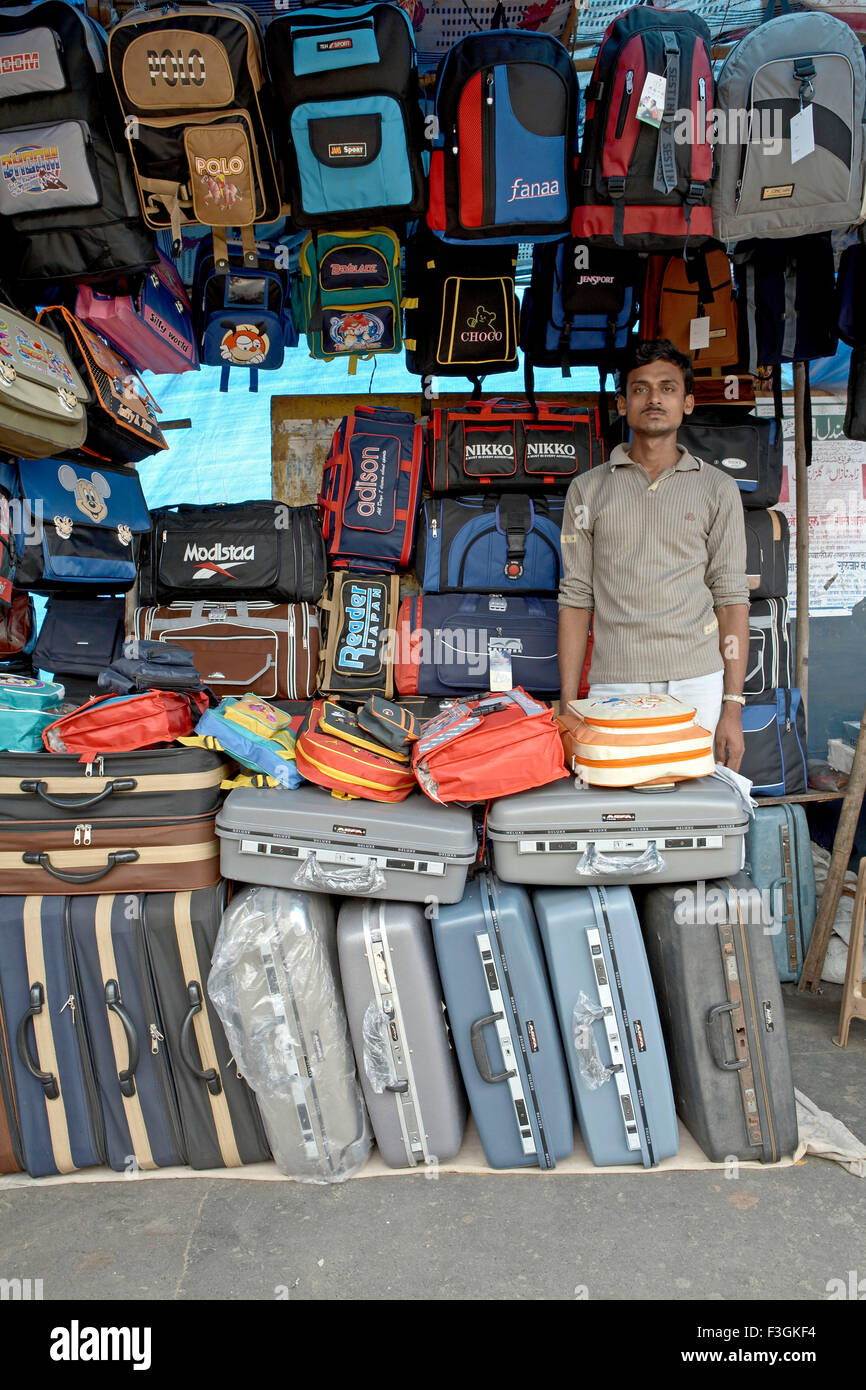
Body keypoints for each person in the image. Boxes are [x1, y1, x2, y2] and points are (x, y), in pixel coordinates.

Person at [558, 338, 750, 770]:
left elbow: (732, 597)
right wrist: (570, 703)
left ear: (688, 403)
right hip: (614, 686)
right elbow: (575, 598)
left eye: (667, 387)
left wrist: (732, 707)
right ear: (622, 404)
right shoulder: (587, 490)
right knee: (618, 815)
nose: (654, 398)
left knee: (697, 818)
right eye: (640, 388)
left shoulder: (717, 488)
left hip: (698, 683)